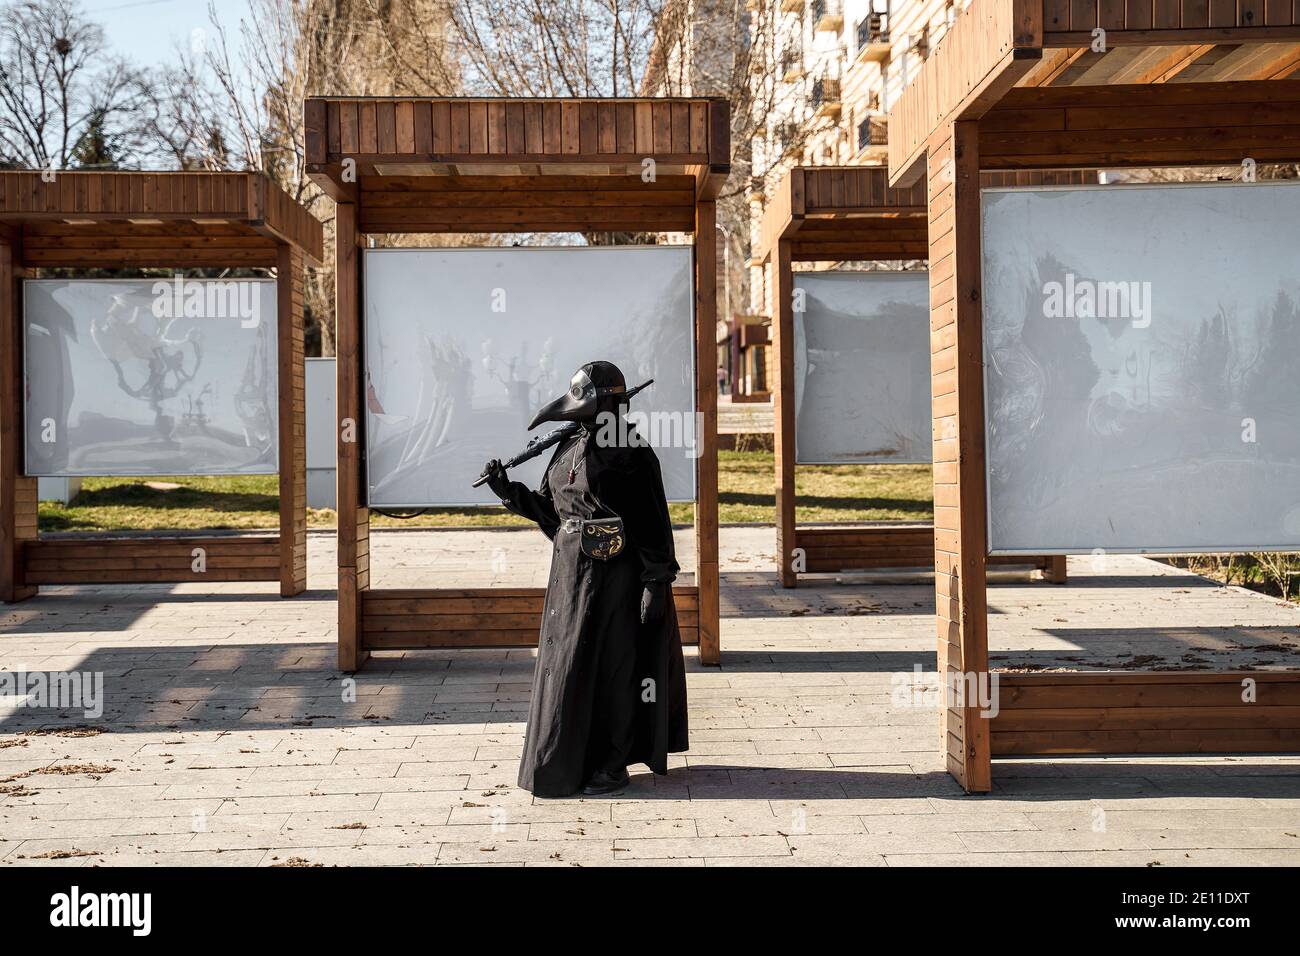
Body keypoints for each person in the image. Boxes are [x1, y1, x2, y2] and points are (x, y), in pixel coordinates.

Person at [481, 361, 688, 797]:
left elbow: (653, 522)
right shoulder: (567, 447)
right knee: (570, 667)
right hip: (570, 578)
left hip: (617, 579)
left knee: (615, 668)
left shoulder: (632, 451)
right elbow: (552, 514)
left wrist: (656, 582)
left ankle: (612, 765)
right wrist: (509, 491)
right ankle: (565, 760)